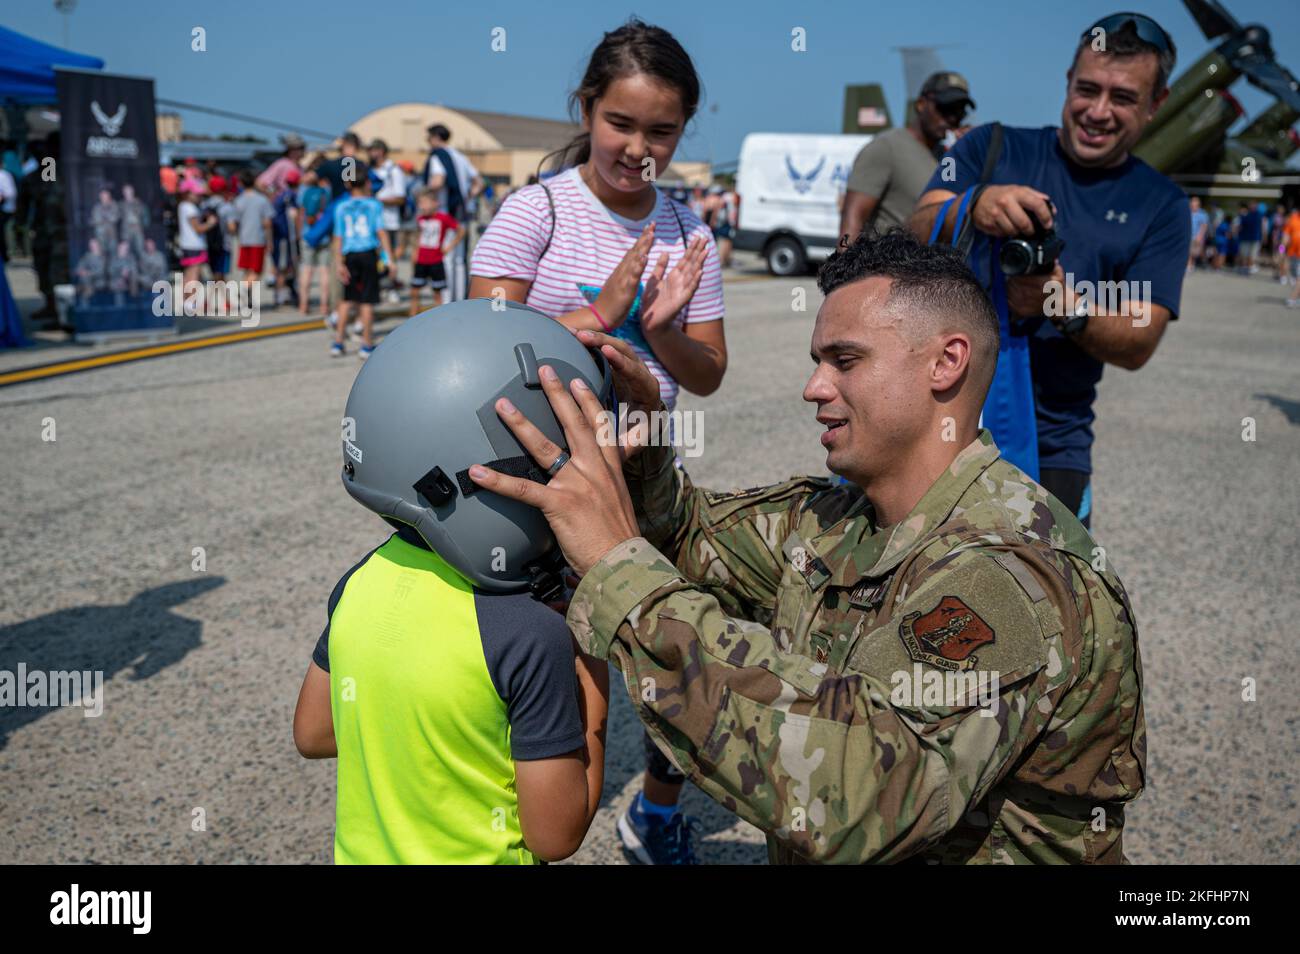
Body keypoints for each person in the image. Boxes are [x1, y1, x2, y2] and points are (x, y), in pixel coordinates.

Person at [468, 228, 1146, 864]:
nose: (813, 388)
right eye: (818, 362)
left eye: (844, 361)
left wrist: (618, 571)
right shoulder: (839, 517)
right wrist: (640, 446)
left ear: (946, 362)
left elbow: (863, 797)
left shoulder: (1014, 570)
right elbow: (688, 541)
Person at [469, 18, 726, 865]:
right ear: (587, 108)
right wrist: (599, 319)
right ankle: (534, 827)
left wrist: (661, 339)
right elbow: (476, 346)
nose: (639, 149)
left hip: (646, 485)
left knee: (673, 661)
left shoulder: (691, 233)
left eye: (663, 132)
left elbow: (709, 370)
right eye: (621, 124)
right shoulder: (536, 210)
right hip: (542, 487)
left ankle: (653, 813)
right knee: (564, 677)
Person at [293, 304, 610, 863]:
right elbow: (555, 835)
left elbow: (315, 734)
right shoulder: (531, 635)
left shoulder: (360, 583)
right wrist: (594, 656)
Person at [909, 12, 1190, 529]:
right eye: (1087, 89)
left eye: (1123, 98)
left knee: (1041, 606)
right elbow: (914, 230)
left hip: (1052, 451)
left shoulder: (1163, 204)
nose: (1098, 111)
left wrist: (1060, 303)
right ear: (1067, 81)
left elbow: (1139, 341)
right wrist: (974, 204)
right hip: (935, 425)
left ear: (1157, 105)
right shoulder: (989, 147)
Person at [841, 72, 976, 244]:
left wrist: (968, 153)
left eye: (959, 112)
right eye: (945, 108)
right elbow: (853, 217)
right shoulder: (886, 147)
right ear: (921, 104)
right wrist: (843, 265)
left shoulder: (948, 158)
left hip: (934, 267)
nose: (952, 118)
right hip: (888, 266)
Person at [330, 160, 392, 359]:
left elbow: (338, 237)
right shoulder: (374, 205)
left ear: (348, 185)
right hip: (367, 254)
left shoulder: (341, 206)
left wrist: (339, 262)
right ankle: (366, 344)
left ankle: (338, 342)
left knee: (347, 300)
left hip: (349, 255)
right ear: (366, 183)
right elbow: (381, 232)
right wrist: (389, 258)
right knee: (367, 301)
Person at [424, 124, 483, 300]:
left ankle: (446, 301)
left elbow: (438, 179)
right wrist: (467, 198)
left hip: (444, 212)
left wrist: (424, 193)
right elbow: (478, 182)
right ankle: (460, 297)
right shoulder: (460, 156)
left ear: (435, 137)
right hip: (461, 211)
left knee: (446, 258)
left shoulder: (437, 156)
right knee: (459, 261)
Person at [408, 189, 461, 316]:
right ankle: (412, 318)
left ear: (435, 203)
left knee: (437, 294)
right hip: (421, 261)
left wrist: (449, 247)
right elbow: (418, 236)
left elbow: (461, 231)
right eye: (420, 203)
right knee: (414, 292)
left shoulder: (443, 218)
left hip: (436, 261)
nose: (422, 206)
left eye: (425, 203)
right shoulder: (420, 219)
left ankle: (439, 318)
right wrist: (414, 252)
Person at [368, 139, 407, 298]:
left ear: (380, 151)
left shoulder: (394, 170)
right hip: (371, 223)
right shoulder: (368, 170)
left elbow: (400, 198)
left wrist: (378, 201)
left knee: (388, 256)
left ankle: (391, 288)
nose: (369, 153)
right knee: (374, 257)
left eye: (372, 150)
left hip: (388, 222)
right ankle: (375, 288)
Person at [177, 178, 216, 315]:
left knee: (187, 275)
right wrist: (211, 223)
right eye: (196, 194)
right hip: (195, 245)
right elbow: (198, 229)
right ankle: (190, 303)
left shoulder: (182, 205)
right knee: (194, 275)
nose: (199, 196)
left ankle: (185, 301)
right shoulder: (190, 208)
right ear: (187, 193)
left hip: (186, 244)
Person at [231, 169, 274, 284]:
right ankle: (243, 291)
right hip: (258, 239)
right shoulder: (262, 200)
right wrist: (270, 241)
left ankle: (246, 296)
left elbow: (234, 223)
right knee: (257, 271)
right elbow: (267, 223)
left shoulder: (238, 201)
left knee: (246, 270)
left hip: (244, 239)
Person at [298, 167, 332, 315]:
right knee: (324, 271)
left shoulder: (304, 191)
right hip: (323, 235)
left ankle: (303, 304)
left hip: (308, 235)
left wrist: (299, 232)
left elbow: (301, 213)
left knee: (307, 269)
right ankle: (324, 305)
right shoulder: (327, 192)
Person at [271, 167, 302, 306]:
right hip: (285, 236)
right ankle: (280, 295)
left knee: (284, 265)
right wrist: (298, 234)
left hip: (279, 235)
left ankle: (286, 292)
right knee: (284, 266)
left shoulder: (280, 195)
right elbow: (294, 217)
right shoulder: (291, 197)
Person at [1236, 201, 1262, 274]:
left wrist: (1262, 237)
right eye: (1251, 205)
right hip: (1245, 238)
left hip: (1255, 238)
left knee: (1252, 254)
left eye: (1254, 205)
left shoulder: (1259, 215)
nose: (1252, 206)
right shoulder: (1245, 214)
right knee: (1244, 254)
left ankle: (1250, 267)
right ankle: (1245, 267)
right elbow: (1240, 226)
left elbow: (1261, 227)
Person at [1281, 206, 1300, 307]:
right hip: (1292, 254)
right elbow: (1285, 236)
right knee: (1293, 277)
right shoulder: (1293, 219)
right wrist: (1281, 250)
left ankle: (1292, 298)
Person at [1188, 195, 1209, 272]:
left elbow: (1204, 226)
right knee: (1188, 251)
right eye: (1192, 201)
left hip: (1197, 236)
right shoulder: (1188, 211)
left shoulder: (1202, 213)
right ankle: (1189, 265)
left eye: (1194, 201)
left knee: (1195, 252)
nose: (1192, 203)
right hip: (1188, 235)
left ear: (1198, 203)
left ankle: (1194, 264)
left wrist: (1200, 236)